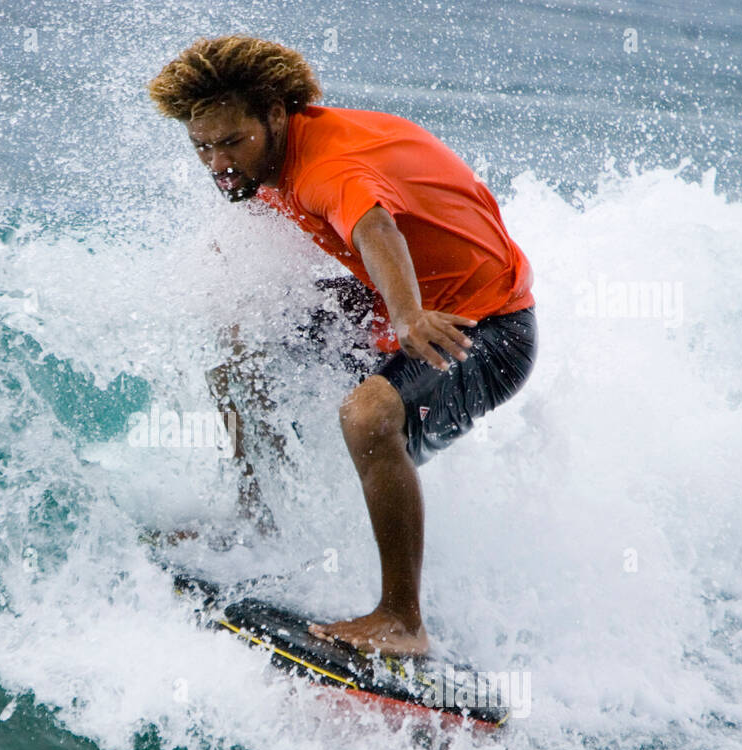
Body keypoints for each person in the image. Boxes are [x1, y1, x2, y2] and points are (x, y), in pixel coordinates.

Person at [146, 35, 537, 658]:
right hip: (398, 303)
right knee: (237, 351)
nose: (218, 162)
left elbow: (373, 225)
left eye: (231, 143)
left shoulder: (327, 164)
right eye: (203, 147)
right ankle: (256, 519)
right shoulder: (273, 155)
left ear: (275, 114)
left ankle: (402, 621)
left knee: (367, 416)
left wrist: (407, 315)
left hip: (487, 330)